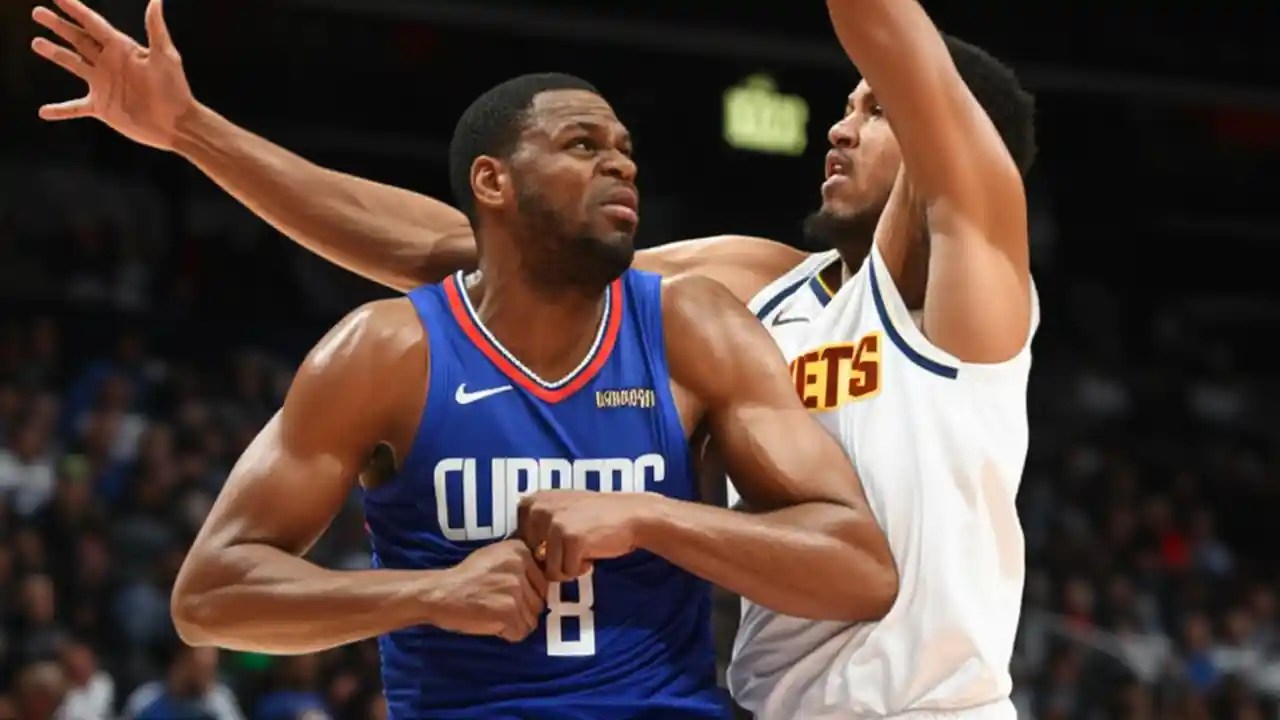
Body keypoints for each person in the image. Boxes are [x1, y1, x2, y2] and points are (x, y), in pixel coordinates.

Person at [30, 0, 1033, 716]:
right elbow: (463, 248)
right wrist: (192, 133)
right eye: (846, 106)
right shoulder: (752, 289)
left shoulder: (972, 302)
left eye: (871, 110)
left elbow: (889, 34)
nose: (837, 125)